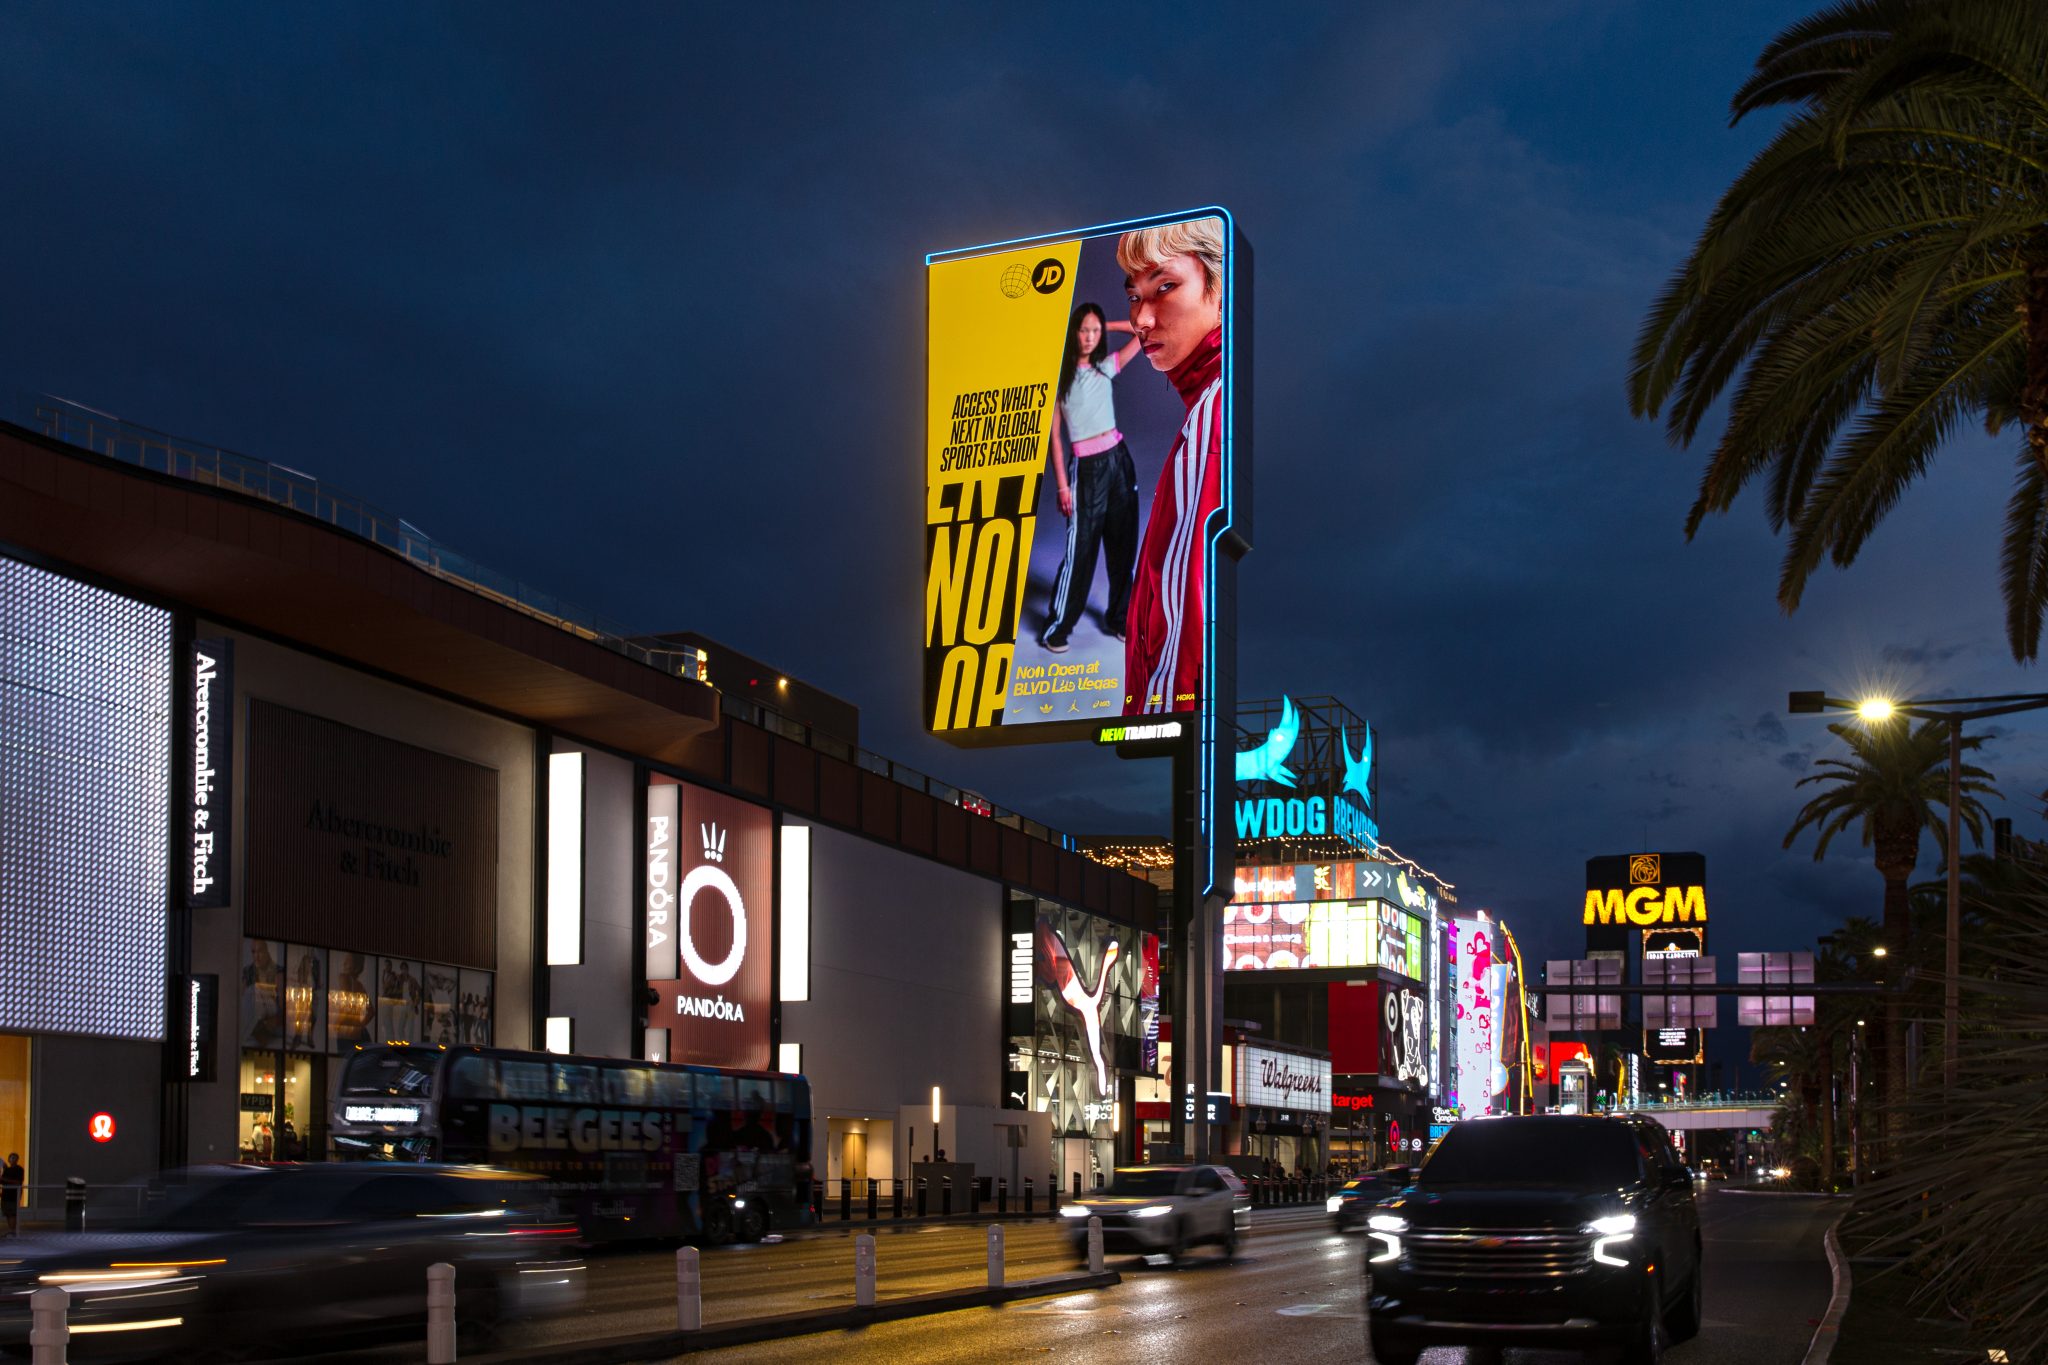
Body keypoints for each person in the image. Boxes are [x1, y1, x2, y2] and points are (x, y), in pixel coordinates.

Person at [1116, 217, 1226, 715]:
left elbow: (1187, 595)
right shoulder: (1214, 402)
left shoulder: (1214, 413)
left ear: (1220, 287)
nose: (1142, 320)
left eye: (1165, 287)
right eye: (1135, 296)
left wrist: (1159, 713)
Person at [1039, 303, 1144, 653]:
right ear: (1073, 333)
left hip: (1118, 461)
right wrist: (1063, 485)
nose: (1089, 337)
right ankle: (1058, 626)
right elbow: (1055, 437)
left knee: (1122, 545)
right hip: (1086, 470)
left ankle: (1118, 618)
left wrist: (1105, 322)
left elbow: (1142, 335)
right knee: (1080, 550)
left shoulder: (1104, 367)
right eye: (1083, 330)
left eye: (1095, 331)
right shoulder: (1061, 378)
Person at [1, 1153, 23, 1236]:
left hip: (13, 1195)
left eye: (14, 1158)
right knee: (7, 1213)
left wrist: (4, 1179)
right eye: (11, 1157)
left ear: (17, 1159)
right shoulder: (6, 1170)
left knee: (12, 1213)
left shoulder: (19, 1169)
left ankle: (13, 1231)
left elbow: (18, 1182)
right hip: (5, 1195)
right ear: (8, 1159)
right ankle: (11, 1230)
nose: (12, 1159)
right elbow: (2, 1181)